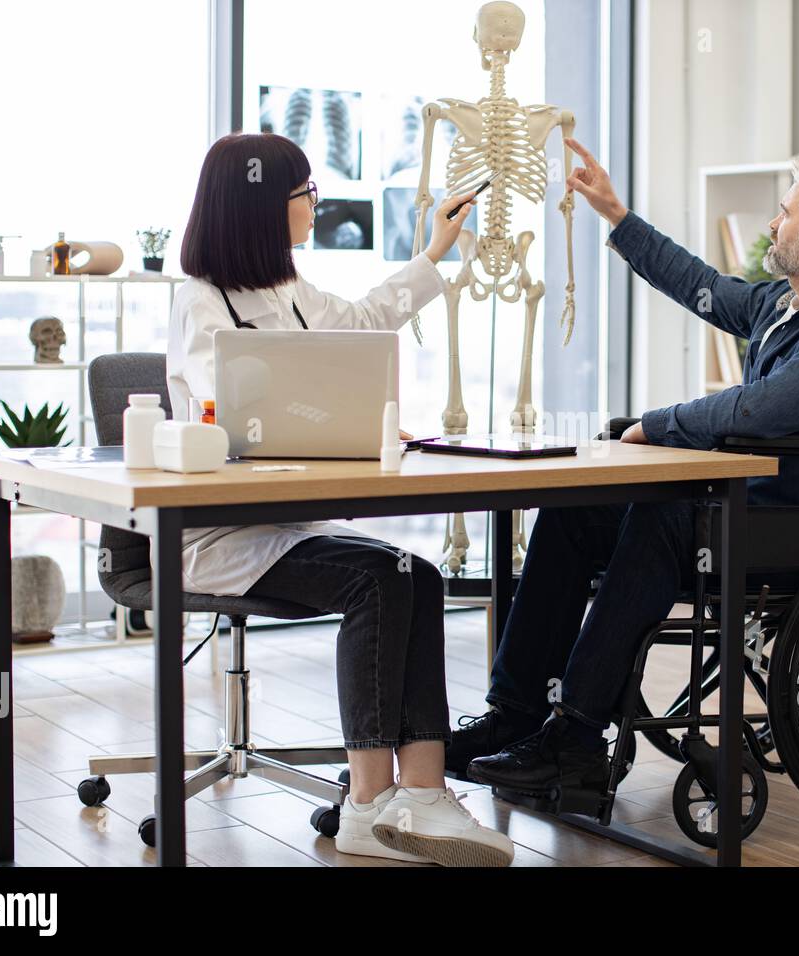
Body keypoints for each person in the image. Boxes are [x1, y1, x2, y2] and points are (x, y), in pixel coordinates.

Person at [449, 139, 799, 799]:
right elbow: (701, 286)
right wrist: (616, 215)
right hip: (743, 509)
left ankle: (576, 740)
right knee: (576, 512)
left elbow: (759, 408)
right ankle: (515, 714)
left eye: (785, 213)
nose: (773, 224)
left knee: (661, 517)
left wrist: (655, 424)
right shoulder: (785, 305)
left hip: (796, 528)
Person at [169, 131, 512, 867]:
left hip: (290, 525)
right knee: (379, 578)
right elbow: (237, 420)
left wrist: (434, 253)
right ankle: (366, 806)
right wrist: (333, 425)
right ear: (263, 205)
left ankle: (424, 794)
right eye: (306, 194)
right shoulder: (201, 303)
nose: (315, 206)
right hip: (222, 537)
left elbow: (360, 324)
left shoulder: (288, 290)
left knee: (420, 574)